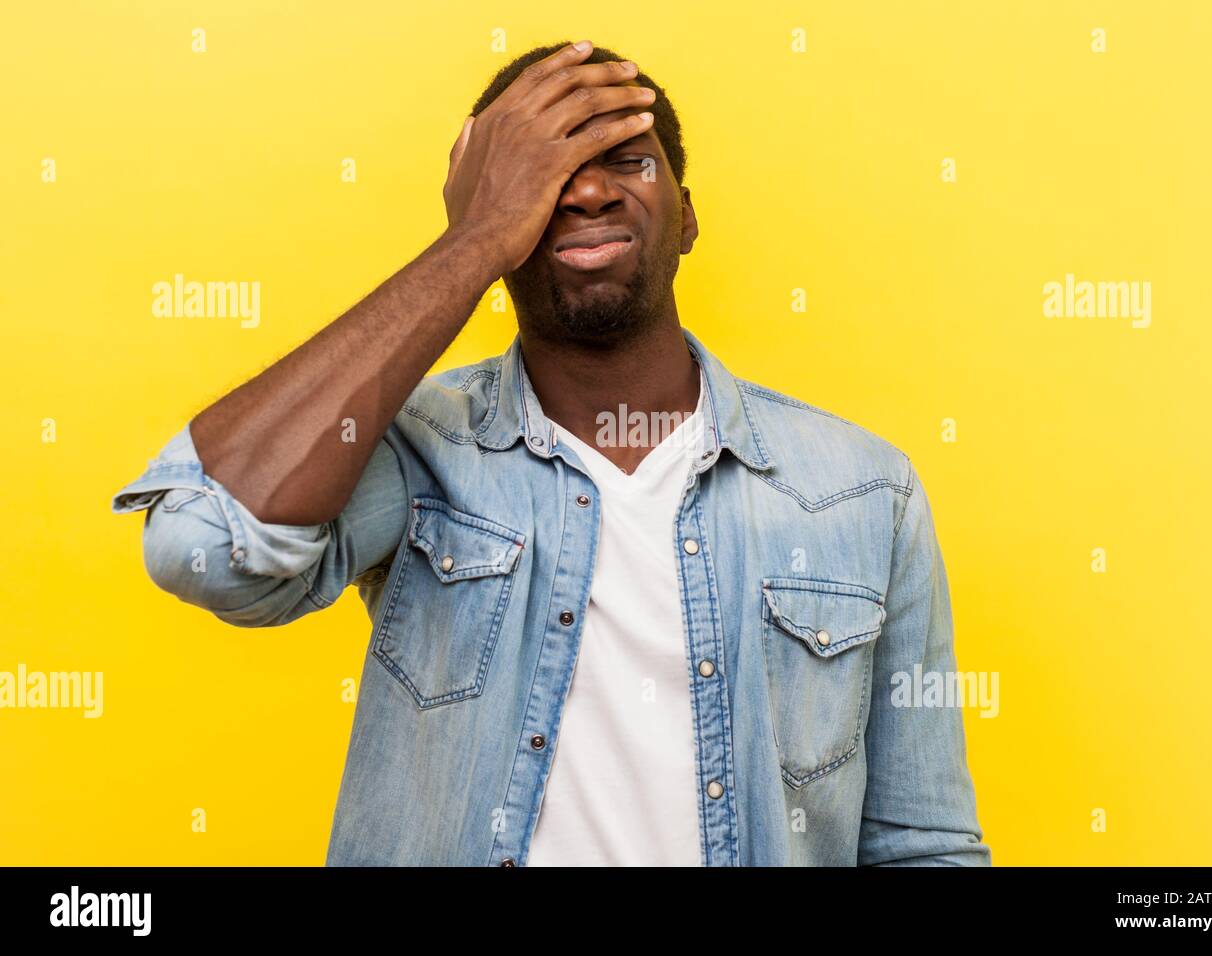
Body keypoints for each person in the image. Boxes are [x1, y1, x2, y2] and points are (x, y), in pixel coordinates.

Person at [112, 40, 990, 867]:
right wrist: (474, 240)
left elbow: (923, 845)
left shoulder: (864, 490)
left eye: (627, 160)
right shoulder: (420, 453)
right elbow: (199, 547)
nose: (587, 193)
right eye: (545, 173)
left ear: (687, 217)